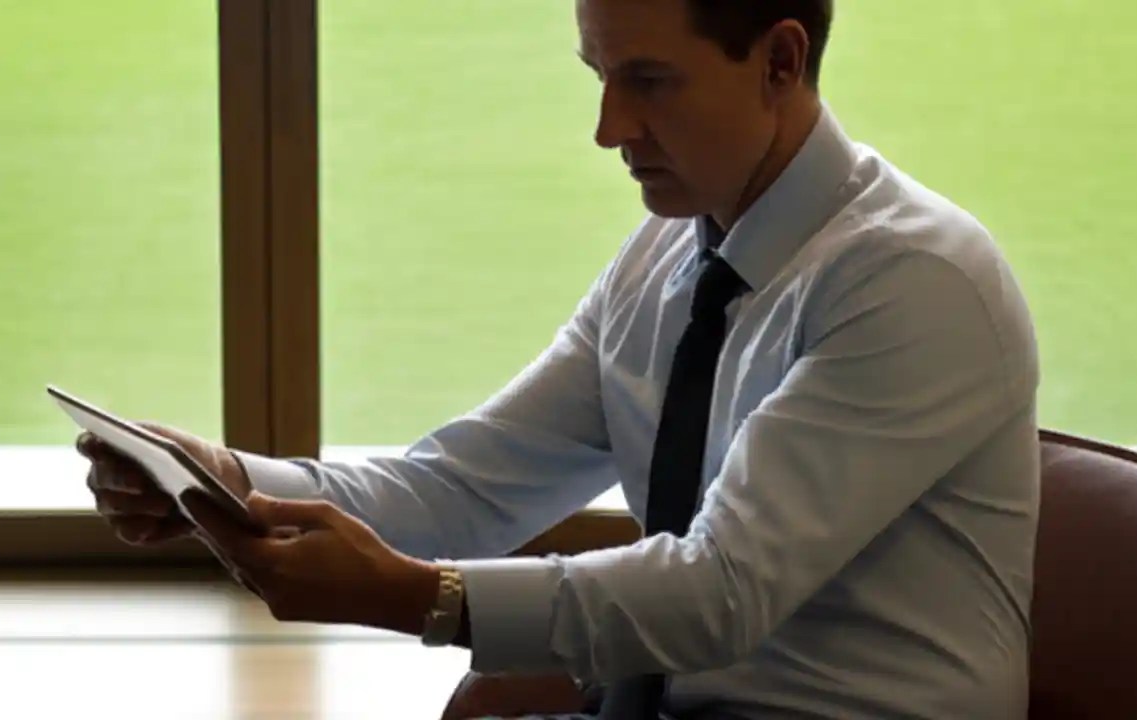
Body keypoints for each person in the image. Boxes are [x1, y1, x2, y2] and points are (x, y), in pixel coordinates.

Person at [78, 0, 1041, 717]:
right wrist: (232, 482)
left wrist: (420, 598)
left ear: (779, 61)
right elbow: (464, 486)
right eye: (600, 76)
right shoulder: (666, 258)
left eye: (649, 82)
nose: (609, 129)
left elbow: (719, 592)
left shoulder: (914, 282)